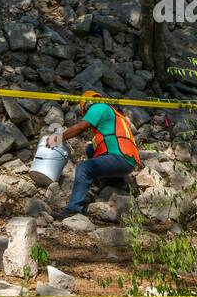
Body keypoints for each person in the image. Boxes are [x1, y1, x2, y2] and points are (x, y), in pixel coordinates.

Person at [46, 91, 140, 219]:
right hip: (127, 160)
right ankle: (115, 182)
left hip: (120, 159)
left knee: (84, 168)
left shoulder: (98, 107)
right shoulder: (112, 113)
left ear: (86, 105)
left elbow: (80, 127)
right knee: (91, 148)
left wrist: (58, 138)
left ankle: (73, 210)